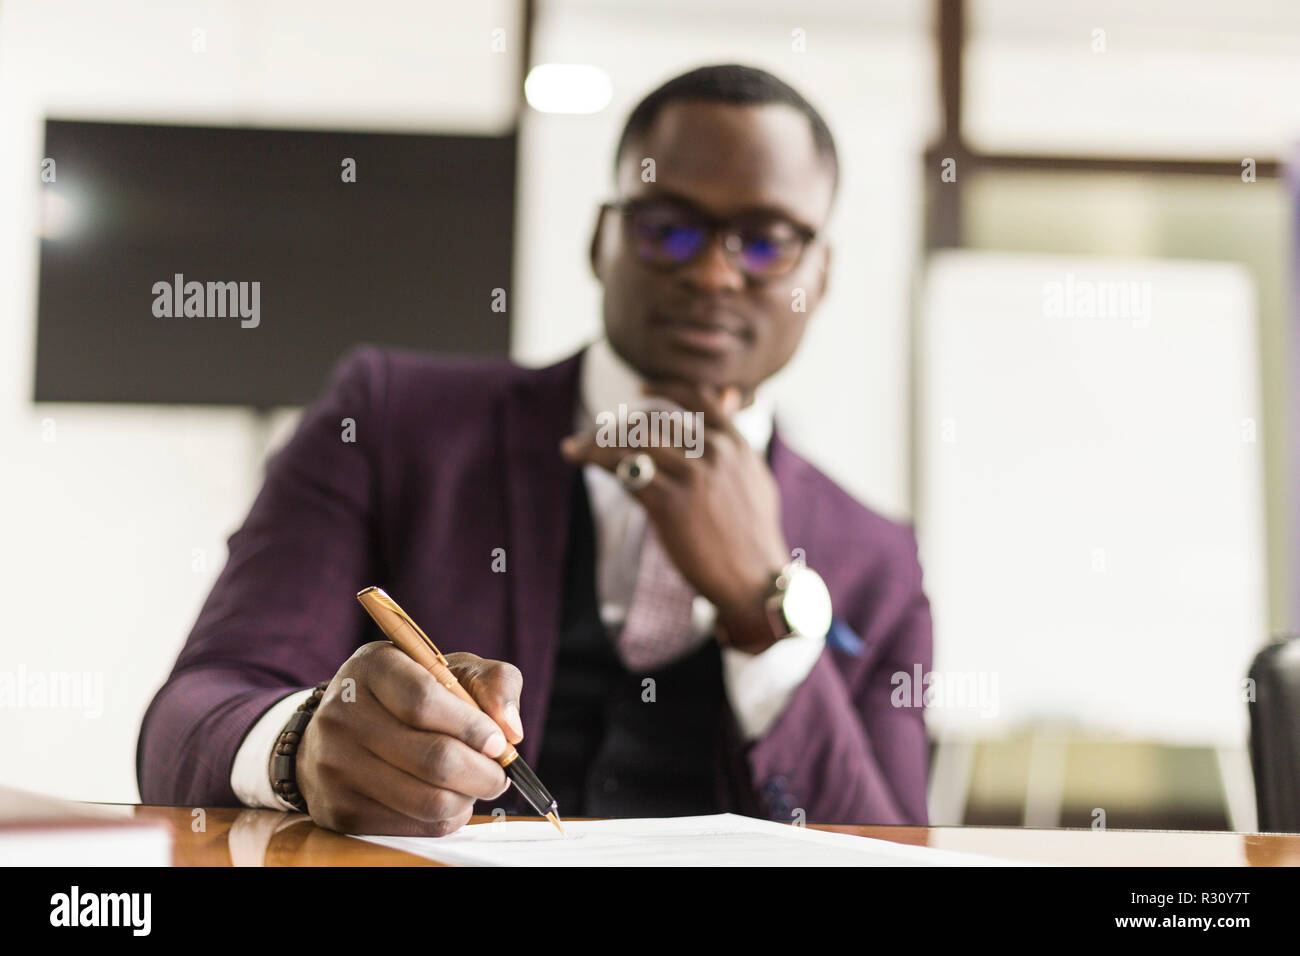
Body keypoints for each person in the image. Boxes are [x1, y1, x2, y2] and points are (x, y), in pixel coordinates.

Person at [137, 63, 933, 835]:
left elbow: (889, 849)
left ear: (820, 275)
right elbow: (192, 713)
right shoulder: (387, 421)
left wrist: (766, 615)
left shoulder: (878, 558)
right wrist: (301, 744)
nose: (715, 274)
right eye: (667, 228)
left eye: (765, 242)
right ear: (601, 240)